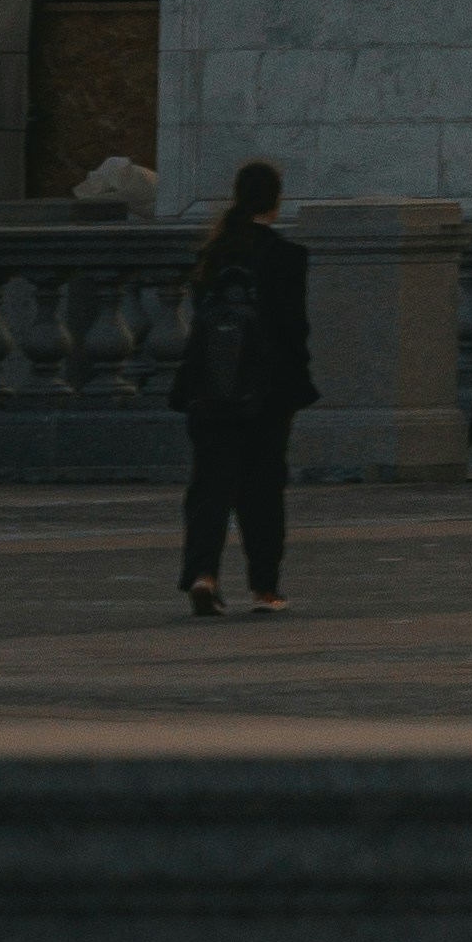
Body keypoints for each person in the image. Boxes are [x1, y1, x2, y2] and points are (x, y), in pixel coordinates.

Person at [172, 154, 313, 619]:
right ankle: (265, 589)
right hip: (266, 393)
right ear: (275, 202)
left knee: (210, 486)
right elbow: (294, 330)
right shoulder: (288, 257)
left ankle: (202, 574)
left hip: (209, 389)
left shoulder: (212, 254)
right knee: (263, 489)